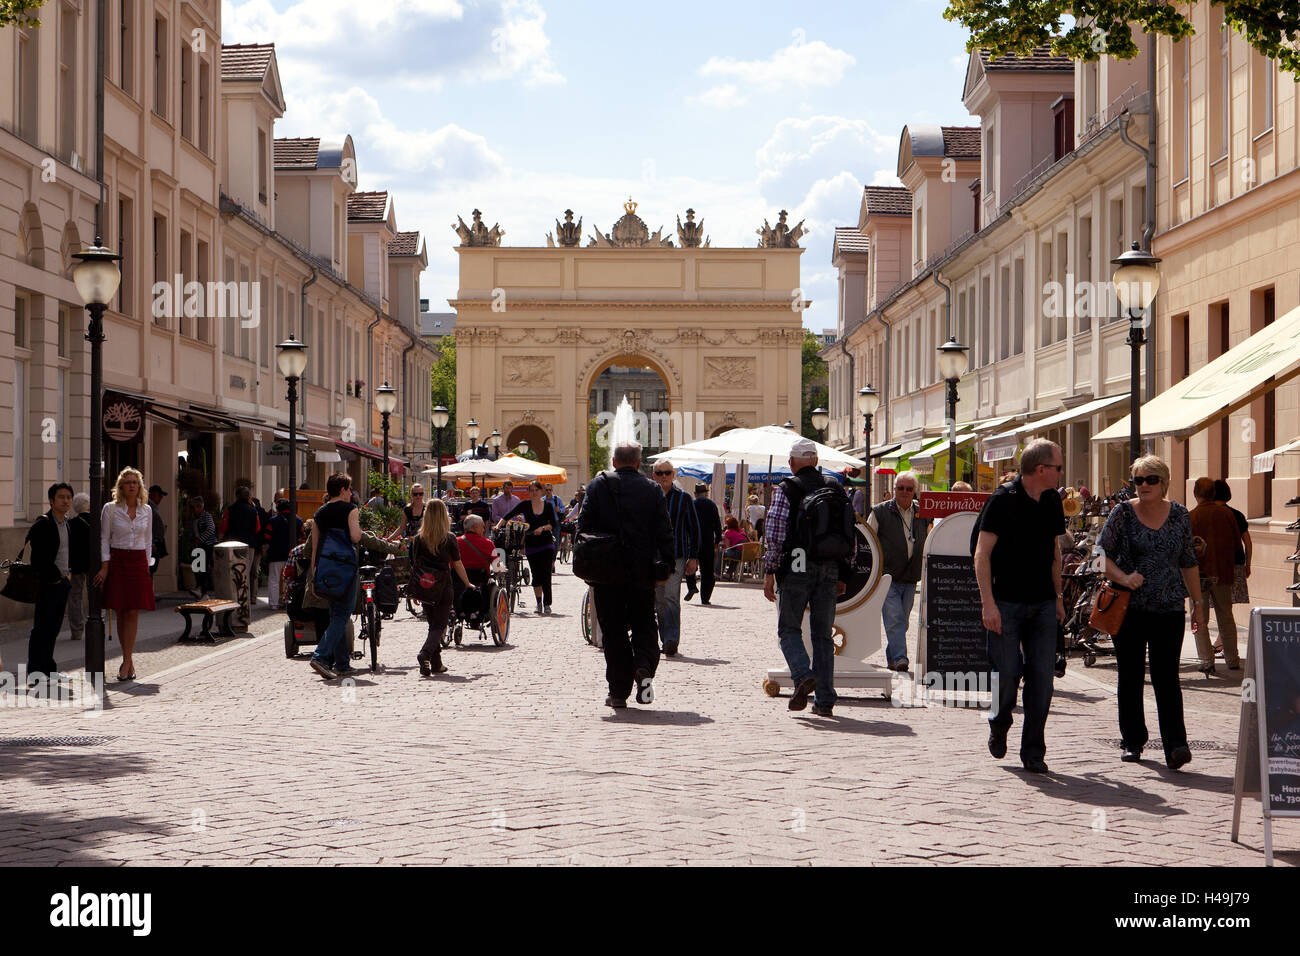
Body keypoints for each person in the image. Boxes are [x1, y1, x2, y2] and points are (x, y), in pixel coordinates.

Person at [1098, 455, 1200, 770]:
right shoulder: (1122, 514)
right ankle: (1132, 741)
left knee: (1167, 677)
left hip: (1169, 607)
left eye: (1150, 480)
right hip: (1129, 608)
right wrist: (1124, 577)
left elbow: (1188, 559)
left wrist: (1197, 603)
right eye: (1138, 480)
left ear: (1163, 482)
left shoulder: (1180, 514)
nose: (1143, 485)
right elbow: (1100, 555)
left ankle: (1176, 745)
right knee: (1130, 676)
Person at [973, 438, 1066, 774]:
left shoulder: (1053, 500)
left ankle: (1033, 752)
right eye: (1057, 467)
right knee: (1008, 675)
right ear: (1040, 469)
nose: (1060, 472)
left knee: (1042, 678)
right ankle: (999, 721)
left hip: (1042, 603)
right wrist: (988, 604)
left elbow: (1054, 550)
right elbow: (982, 554)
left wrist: (1057, 597)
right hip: (1006, 603)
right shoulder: (1003, 500)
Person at [579, 440, 675, 708]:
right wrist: (667, 564)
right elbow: (664, 530)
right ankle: (644, 665)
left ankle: (619, 692)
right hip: (641, 571)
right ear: (637, 463)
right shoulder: (652, 488)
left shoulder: (598, 485)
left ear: (613, 462)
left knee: (613, 631)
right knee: (645, 623)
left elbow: (583, 527)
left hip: (606, 571)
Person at [763, 439, 852, 717]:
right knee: (823, 635)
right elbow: (850, 532)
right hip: (830, 566)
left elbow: (775, 533)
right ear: (815, 460)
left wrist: (770, 571)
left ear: (792, 463)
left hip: (797, 565)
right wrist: (844, 572)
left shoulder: (787, 488)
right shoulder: (835, 487)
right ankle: (825, 700)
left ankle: (802, 675)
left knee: (789, 629)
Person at [94, 467, 155, 682]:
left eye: (135, 482)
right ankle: (127, 659)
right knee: (121, 611)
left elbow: (148, 540)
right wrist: (105, 565)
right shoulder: (110, 509)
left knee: (133, 612)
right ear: (120, 487)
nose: (131, 486)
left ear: (139, 486)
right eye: (127, 482)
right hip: (118, 559)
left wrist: (147, 566)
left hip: (138, 561)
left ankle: (127, 661)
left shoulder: (146, 510)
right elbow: (104, 539)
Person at [24, 483, 86, 684]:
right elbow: (39, 559)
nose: (66, 500)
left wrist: (67, 577)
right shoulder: (44, 524)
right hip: (47, 584)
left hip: (63, 583)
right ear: (51, 501)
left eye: (69, 497)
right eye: (61, 497)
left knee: (54, 628)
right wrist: (55, 578)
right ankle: (36, 673)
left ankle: (49, 670)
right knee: (42, 628)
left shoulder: (67, 523)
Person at [869, 470, 929, 672]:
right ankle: (901, 658)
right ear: (894, 489)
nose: (904, 492)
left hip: (911, 576)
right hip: (887, 575)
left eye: (909, 489)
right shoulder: (880, 511)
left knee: (902, 622)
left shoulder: (923, 512)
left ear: (915, 491)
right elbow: (869, 542)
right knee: (894, 617)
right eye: (900, 488)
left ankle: (892, 658)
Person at [306, 473, 363, 681]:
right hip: (345, 569)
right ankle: (320, 656)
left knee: (335, 615)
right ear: (342, 490)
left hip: (325, 569)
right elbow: (356, 537)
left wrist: (314, 576)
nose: (351, 493)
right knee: (342, 614)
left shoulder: (319, 513)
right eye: (349, 489)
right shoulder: (350, 509)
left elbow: (314, 547)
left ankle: (342, 664)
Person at [1189, 476, 1242, 674]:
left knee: (1199, 617)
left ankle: (1206, 660)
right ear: (1213, 493)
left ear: (1196, 494)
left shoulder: (1191, 516)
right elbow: (1237, 544)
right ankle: (1232, 658)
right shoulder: (1226, 515)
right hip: (1222, 572)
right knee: (1226, 616)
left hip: (1198, 574)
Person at [414, 498, 473, 676]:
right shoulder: (449, 538)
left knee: (433, 624)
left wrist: (414, 589)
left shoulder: (419, 538)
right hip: (443, 585)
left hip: (424, 583)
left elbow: (415, 565)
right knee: (439, 625)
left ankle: (436, 664)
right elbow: (457, 564)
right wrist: (467, 582)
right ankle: (424, 653)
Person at [651, 462, 700, 656]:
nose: (664, 476)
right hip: (652, 555)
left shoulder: (684, 498)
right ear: (654, 475)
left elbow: (694, 529)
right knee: (658, 600)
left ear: (674, 474)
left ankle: (671, 639)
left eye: (667, 473)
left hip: (676, 555)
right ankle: (664, 638)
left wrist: (694, 557)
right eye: (659, 473)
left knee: (671, 596)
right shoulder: (648, 497)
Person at [498, 481, 560, 614]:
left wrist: (542, 528)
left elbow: (553, 524)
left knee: (546, 574)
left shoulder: (548, 505)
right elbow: (508, 515)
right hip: (531, 543)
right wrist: (498, 526)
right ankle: (538, 603)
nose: (534, 492)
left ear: (541, 491)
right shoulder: (525, 504)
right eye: (531, 490)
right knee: (536, 574)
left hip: (546, 543)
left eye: (536, 490)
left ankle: (547, 604)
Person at [1213, 479, 1251, 624]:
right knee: (1227, 605)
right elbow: (1248, 542)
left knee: (1219, 605)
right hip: (1236, 562)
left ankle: (1220, 641)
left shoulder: (1204, 514)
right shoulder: (1237, 515)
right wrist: (1248, 564)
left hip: (1213, 565)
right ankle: (1221, 640)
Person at [220, 486, 263, 600]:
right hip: (249, 545)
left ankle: (233, 596)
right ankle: (244, 597)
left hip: (232, 544)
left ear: (236, 496)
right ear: (249, 497)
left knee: (233, 572)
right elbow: (257, 528)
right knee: (245, 573)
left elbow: (223, 527)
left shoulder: (230, 510)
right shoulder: (254, 511)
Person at [685, 483, 723, 605]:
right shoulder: (712, 505)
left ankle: (691, 586)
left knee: (690, 566)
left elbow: (686, 523)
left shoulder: (691, 504)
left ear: (695, 494)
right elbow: (718, 524)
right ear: (706, 493)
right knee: (707, 572)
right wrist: (717, 540)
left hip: (693, 541)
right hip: (707, 541)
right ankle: (705, 598)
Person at [265, 499, 304, 608]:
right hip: (293, 555)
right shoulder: (298, 520)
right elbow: (302, 536)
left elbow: (267, 537)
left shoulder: (272, 521)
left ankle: (273, 604)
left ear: (278, 508)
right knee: (292, 579)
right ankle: (289, 602)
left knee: (274, 579)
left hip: (275, 554)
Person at [67, 492, 92, 642]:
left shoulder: (71, 524)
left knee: (75, 596)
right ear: (88, 505)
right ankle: (96, 624)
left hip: (75, 563)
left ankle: (76, 630)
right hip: (92, 563)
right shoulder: (97, 522)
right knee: (93, 594)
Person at [187, 496, 217, 598]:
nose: (192, 510)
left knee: (203, 567)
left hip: (206, 545)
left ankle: (203, 590)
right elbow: (192, 530)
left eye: (194, 507)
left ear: (199, 507)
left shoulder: (206, 516)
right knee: (197, 567)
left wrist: (200, 540)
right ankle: (199, 588)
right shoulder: (194, 518)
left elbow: (211, 529)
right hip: (197, 546)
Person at [457, 514, 499, 585]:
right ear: (475, 527)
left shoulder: (455, 542)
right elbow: (497, 568)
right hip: (481, 582)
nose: (484, 530)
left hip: (458, 582)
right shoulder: (488, 543)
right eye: (482, 526)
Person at [147, 484, 168, 581]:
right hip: (153, 544)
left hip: (156, 543)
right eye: (159, 495)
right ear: (153, 495)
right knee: (150, 569)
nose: (161, 498)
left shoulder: (153, 507)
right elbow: (148, 526)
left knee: (152, 569)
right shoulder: (149, 507)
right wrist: (152, 543)